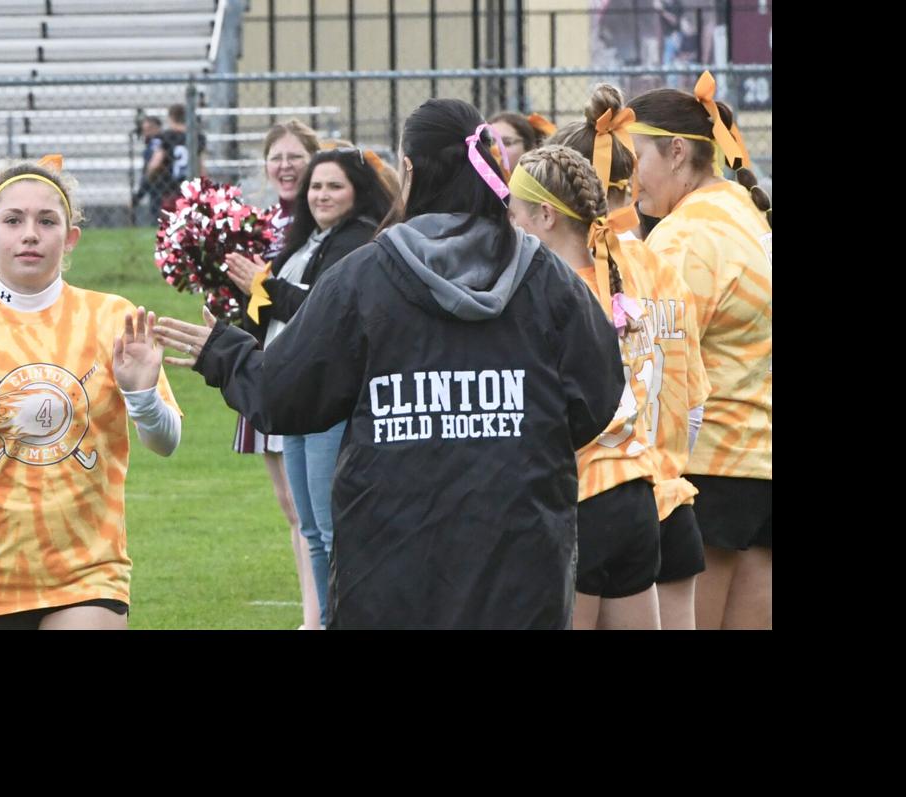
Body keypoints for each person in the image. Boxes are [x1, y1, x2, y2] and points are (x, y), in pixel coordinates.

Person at [159, 99, 623, 628]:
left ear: (409, 170)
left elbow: (283, 392)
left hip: (390, 570)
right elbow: (599, 394)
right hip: (520, 568)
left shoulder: (366, 276)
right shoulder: (548, 278)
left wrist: (224, 352)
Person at [0, 159, 183, 629]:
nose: (30, 234)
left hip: (89, 574)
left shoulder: (111, 318)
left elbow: (165, 442)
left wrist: (143, 395)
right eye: (13, 220)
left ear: (70, 238)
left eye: (47, 221)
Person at [210, 146, 393, 629]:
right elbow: (275, 312)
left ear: (358, 192)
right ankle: (325, 620)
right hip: (293, 394)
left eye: (334, 186)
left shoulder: (359, 241)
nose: (321, 195)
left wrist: (265, 287)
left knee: (332, 529)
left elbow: (324, 314)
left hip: (329, 400)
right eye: (316, 186)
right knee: (309, 526)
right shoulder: (307, 240)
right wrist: (247, 301)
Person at [549, 83, 710, 628]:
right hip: (670, 497)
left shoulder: (571, 280)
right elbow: (693, 406)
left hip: (595, 496)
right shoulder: (662, 266)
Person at [629, 73, 773, 629]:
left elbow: (655, 370)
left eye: (634, 158)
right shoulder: (746, 210)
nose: (627, 178)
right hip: (760, 462)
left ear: (676, 152)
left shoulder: (683, 236)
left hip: (708, 468)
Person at [221, 117, 321, 626]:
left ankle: (317, 616)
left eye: (295, 156)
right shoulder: (254, 226)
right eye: (276, 157)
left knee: (309, 511)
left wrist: (262, 287)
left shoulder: (318, 228)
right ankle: (313, 612)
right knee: (290, 506)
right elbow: (256, 310)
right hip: (267, 364)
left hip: (305, 371)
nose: (285, 166)